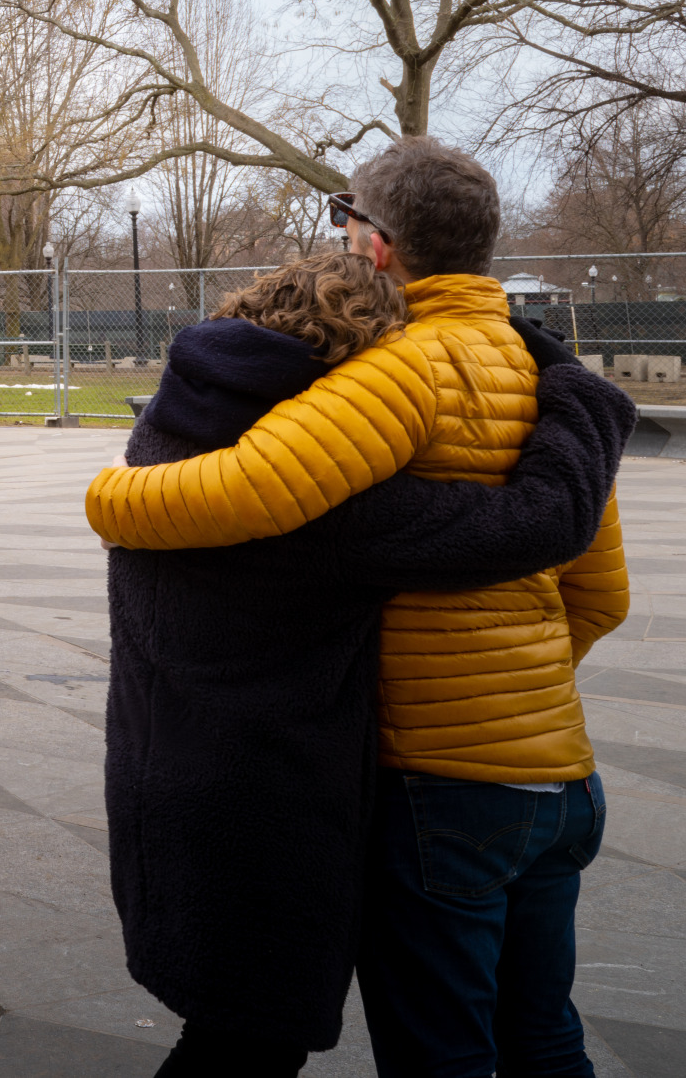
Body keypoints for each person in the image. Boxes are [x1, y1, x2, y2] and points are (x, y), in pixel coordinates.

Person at [88, 140, 630, 1076]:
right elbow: (600, 590)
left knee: (442, 1054)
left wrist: (110, 496)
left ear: (376, 245)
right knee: (545, 1037)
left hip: (441, 781)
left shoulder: (397, 368)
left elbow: (248, 489)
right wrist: (515, 696)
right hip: (561, 772)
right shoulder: (547, 384)